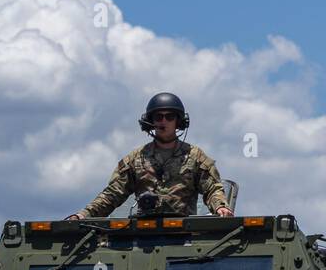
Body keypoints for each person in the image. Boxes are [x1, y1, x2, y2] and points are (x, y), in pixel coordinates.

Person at [68, 93, 235, 220]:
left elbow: (212, 189)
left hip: (183, 234)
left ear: (178, 121)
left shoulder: (195, 156)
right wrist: (83, 215)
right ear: (151, 121)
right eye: (158, 117)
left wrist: (221, 207)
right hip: (142, 234)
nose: (164, 121)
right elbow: (112, 194)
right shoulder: (136, 158)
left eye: (169, 117)